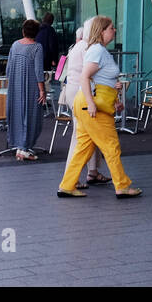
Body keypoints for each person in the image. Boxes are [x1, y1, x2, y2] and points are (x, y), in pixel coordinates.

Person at [57, 16, 140, 198]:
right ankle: (122, 186)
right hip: (92, 106)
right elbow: (85, 77)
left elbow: (98, 78)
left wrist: (113, 95)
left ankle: (67, 184)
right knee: (111, 145)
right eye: (111, 28)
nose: (114, 30)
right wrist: (92, 104)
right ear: (102, 31)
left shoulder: (98, 50)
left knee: (84, 147)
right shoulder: (97, 51)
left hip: (90, 104)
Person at [58, 21, 109, 188]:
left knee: (89, 133)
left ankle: (92, 172)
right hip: (82, 94)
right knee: (79, 136)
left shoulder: (77, 46)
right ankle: (71, 178)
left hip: (73, 92)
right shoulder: (90, 47)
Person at [5, 19, 46, 161]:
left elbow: (8, 69)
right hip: (31, 87)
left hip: (15, 87)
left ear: (23, 31)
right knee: (32, 115)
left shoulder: (15, 45)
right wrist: (42, 91)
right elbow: (38, 71)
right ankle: (24, 148)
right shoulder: (37, 47)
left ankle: (20, 147)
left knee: (17, 114)